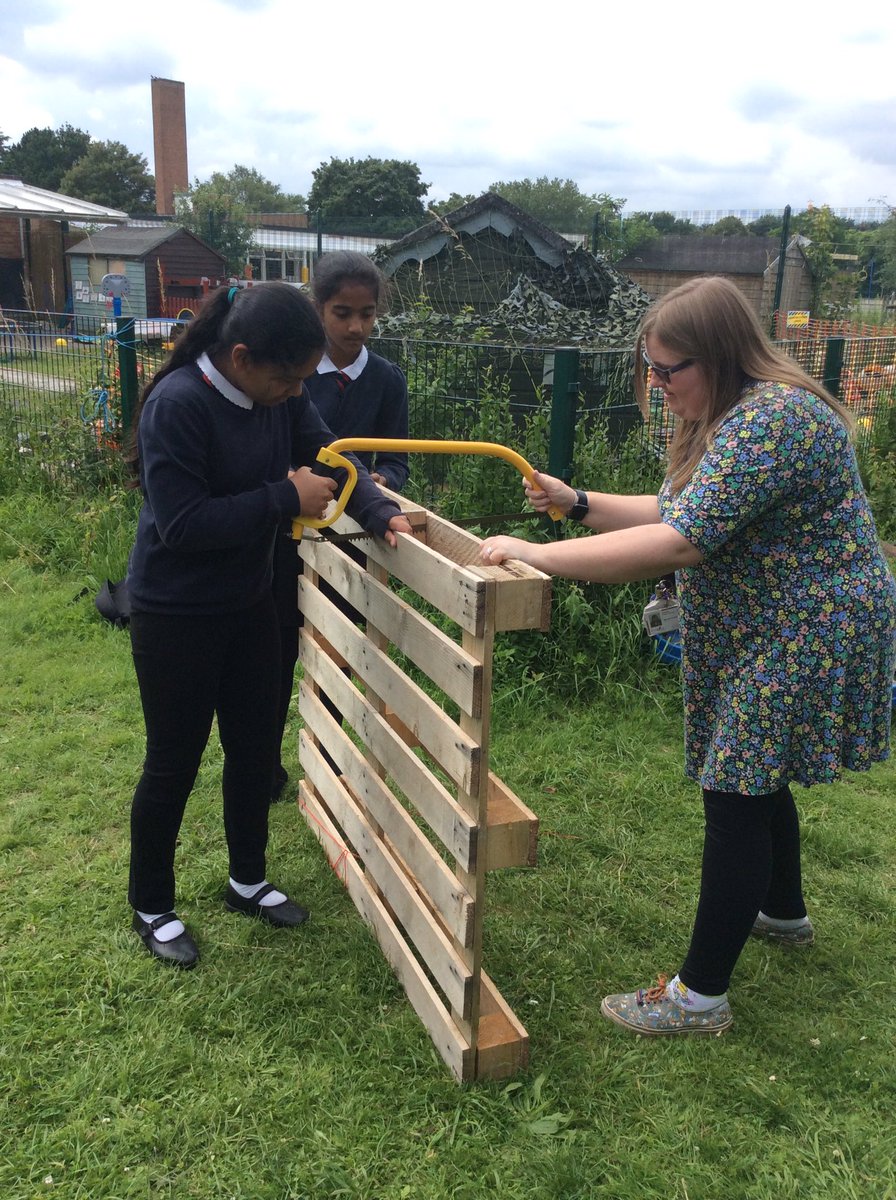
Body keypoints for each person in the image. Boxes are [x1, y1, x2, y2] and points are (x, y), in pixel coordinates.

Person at [479, 275, 896, 1036]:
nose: (657, 386)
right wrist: (577, 504)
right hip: (782, 621)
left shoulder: (774, 420)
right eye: (652, 369)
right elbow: (679, 510)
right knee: (755, 774)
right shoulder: (741, 415)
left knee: (735, 788)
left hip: (807, 623)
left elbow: (678, 541)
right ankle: (783, 911)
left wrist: (538, 553)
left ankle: (699, 997)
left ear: (719, 355)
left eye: (669, 370)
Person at [126, 281, 412, 968]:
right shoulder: (178, 405)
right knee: (175, 760)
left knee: (255, 751)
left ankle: (247, 880)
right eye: (287, 379)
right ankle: (152, 904)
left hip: (252, 601)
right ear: (243, 358)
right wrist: (284, 496)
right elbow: (185, 525)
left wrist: (381, 514)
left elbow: (332, 457)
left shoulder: (278, 396)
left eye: (300, 380)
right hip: (177, 613)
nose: (295, 392)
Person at [270, 251, 409, 800]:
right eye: (341, 313)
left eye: (367, 314)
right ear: (318, 310)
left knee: (340, 649)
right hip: (289, 537)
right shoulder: (292, 380)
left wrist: (380, 480)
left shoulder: (387, 380)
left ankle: (325, 760)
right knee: (278, 654)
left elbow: (397, 459)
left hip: (355, 540)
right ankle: (263, 764)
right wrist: (291, 481)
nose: (355, 326)